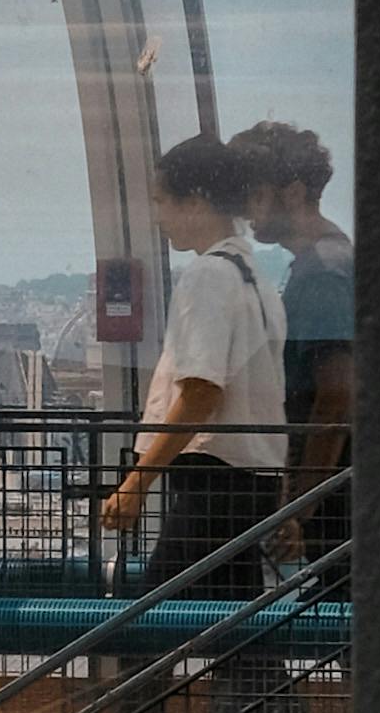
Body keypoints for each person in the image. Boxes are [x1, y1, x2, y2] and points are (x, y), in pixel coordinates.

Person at [94, 137, 288, 582]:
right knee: (233, 625)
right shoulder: (256, 279)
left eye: (162, 201)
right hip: (255, 478)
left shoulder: (207, 276)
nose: (158, 216)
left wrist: (137, 482)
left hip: (212, 481)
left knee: (151, 624)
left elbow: (200, 392)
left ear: (196, 202)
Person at [228, 120, 356, 527]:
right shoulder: (326, 262)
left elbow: (335, 396)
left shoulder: (321, 273)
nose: (247, 209)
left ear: (295, 193)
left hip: (336, 498)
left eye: (257, 194)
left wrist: (300, 508)